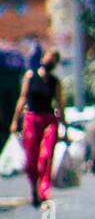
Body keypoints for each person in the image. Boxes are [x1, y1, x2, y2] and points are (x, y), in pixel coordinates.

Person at [9, 50, 65, 207]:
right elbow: (22, 97)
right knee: (31, 159)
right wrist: (15, 120)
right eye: (49, 58)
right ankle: (34, 187)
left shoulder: (55, 82)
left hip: (49, 119)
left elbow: (60, 104)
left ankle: (44, 189)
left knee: (46, 155)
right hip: (32, 119)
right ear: (43, 58)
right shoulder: (30, 76)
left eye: (54, 60)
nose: (51, 62)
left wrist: (64, 125)